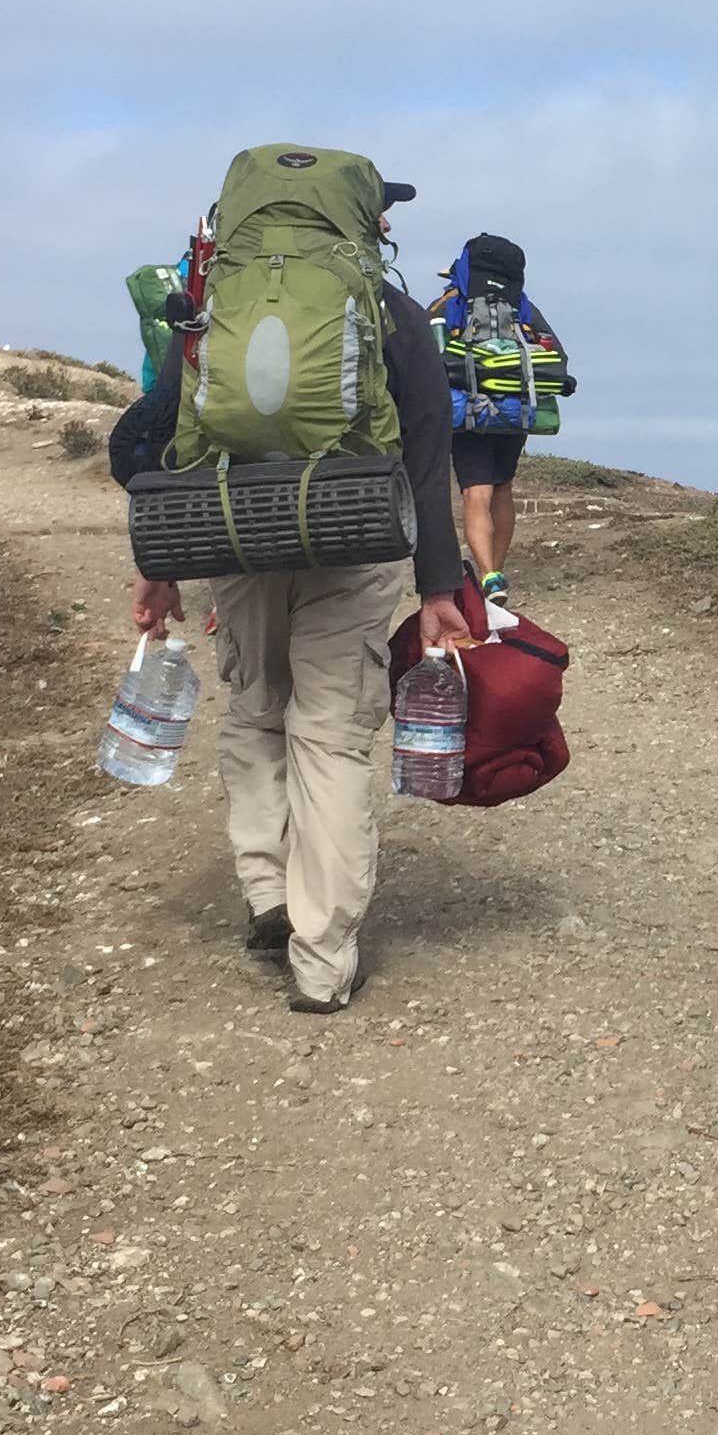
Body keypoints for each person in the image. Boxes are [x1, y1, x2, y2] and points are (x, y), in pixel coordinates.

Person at [112, 177, 469, 1015]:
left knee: (258, 708)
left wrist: (157, 565)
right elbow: (427, 449)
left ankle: (268, 894)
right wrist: (440, 587)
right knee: (332, 739)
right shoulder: (389, 312)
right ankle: (322, 958)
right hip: (354, 541)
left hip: (234, 539)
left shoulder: (213, 303)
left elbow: (166, 435)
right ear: (359, 218)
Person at [426, 234, 568, 604]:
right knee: (502, 486)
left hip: (466, 410)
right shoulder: (521, 306)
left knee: (476, 490)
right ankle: (498, 573)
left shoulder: (448, 304)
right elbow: (556, 356)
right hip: (514, 408)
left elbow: (422, 357)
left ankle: (488, 574)